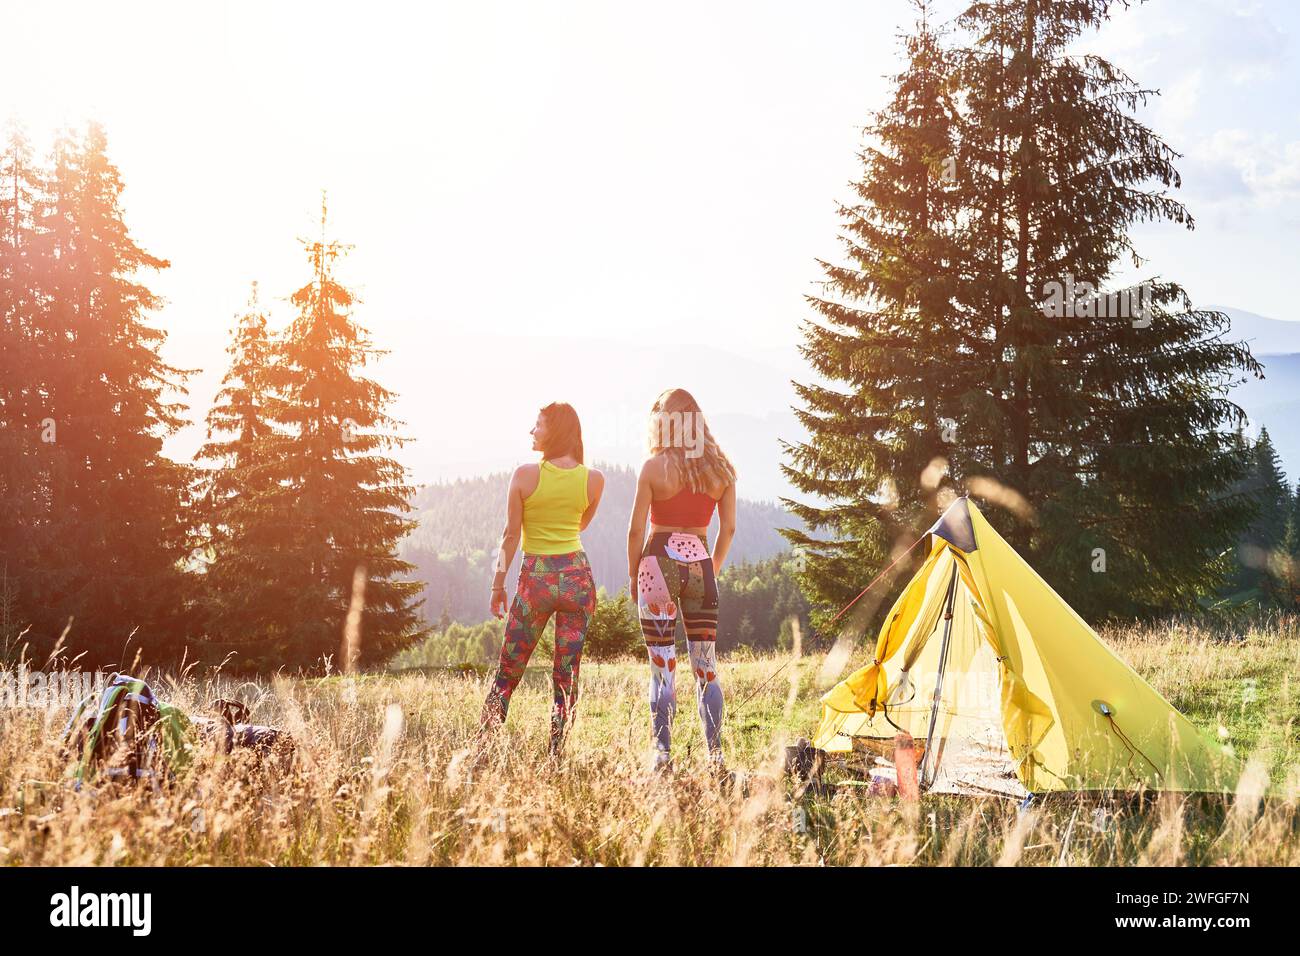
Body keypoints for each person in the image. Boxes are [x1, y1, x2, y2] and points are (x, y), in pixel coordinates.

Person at [480, 402, 604, 755]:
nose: (531, 432)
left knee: (508, 670)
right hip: (577, 579)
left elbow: (510, 535)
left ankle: (483, 748)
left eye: (537, 426)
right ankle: (555, 753)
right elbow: (579, 525)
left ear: (554, 431)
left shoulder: (524, 476)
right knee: (567, 674)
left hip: (536, 580)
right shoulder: (594, 480)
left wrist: (497, 584)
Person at [627, 388, 737, 772]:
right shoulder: (722, 470)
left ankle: (662, 755)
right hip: (702, 564)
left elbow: (635, 531)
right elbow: (729, 530)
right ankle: (716, 756)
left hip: (656, 563)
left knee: (662, 666)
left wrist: (632, 576)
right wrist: (711, 569)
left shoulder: (653, 467)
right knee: (706, 666)